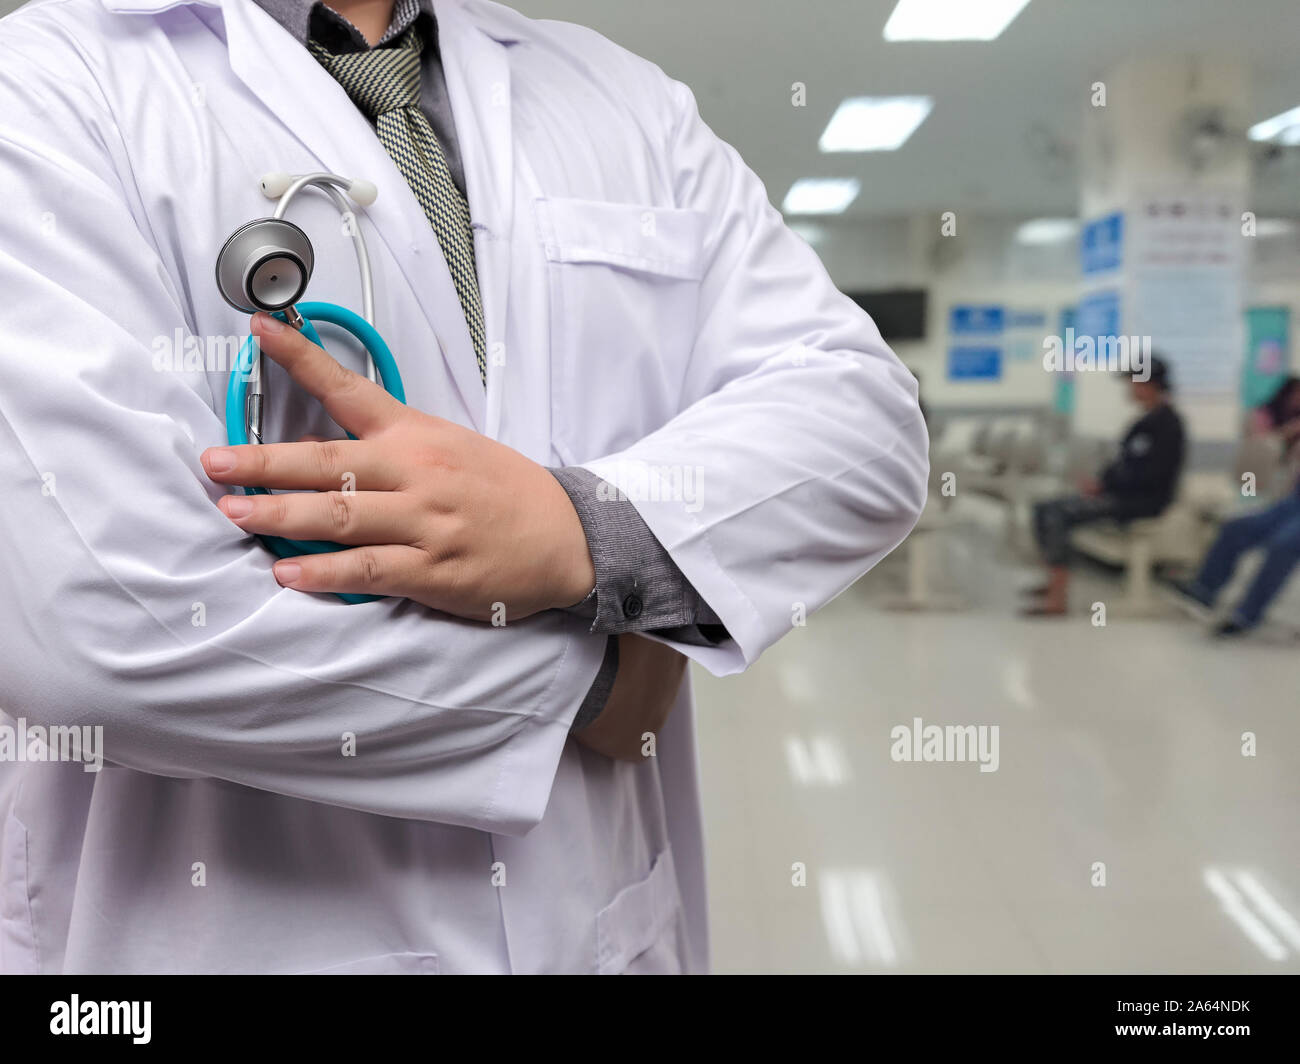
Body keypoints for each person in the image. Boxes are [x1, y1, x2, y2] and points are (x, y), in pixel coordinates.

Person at [0, 0, 928, 973]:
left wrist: (582, 529)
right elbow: (104, 623)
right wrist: (598, 680)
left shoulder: (627, 102)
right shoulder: (52, 83)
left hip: (596, 924)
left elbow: (862, 419)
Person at [1023, 357, 1185, 616]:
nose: (1130, 389)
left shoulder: (1167, 425)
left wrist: (1108, 487)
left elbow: (1150, 474)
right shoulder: (1143, 423)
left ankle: (1058, 597)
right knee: (1044, 508)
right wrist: (1101, 484)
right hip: (1122, 495)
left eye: (1134, 382)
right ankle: (1053, 580)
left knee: (1057, 514)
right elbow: (1123, 464)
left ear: (1151, 384)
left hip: (1143, 502)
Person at [1172, 376, 1300, 636]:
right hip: (1293, 502)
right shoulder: (1276, 416)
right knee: (1236, 527)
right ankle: (1204, 591)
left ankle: (1246, 616)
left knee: (1282, 543)